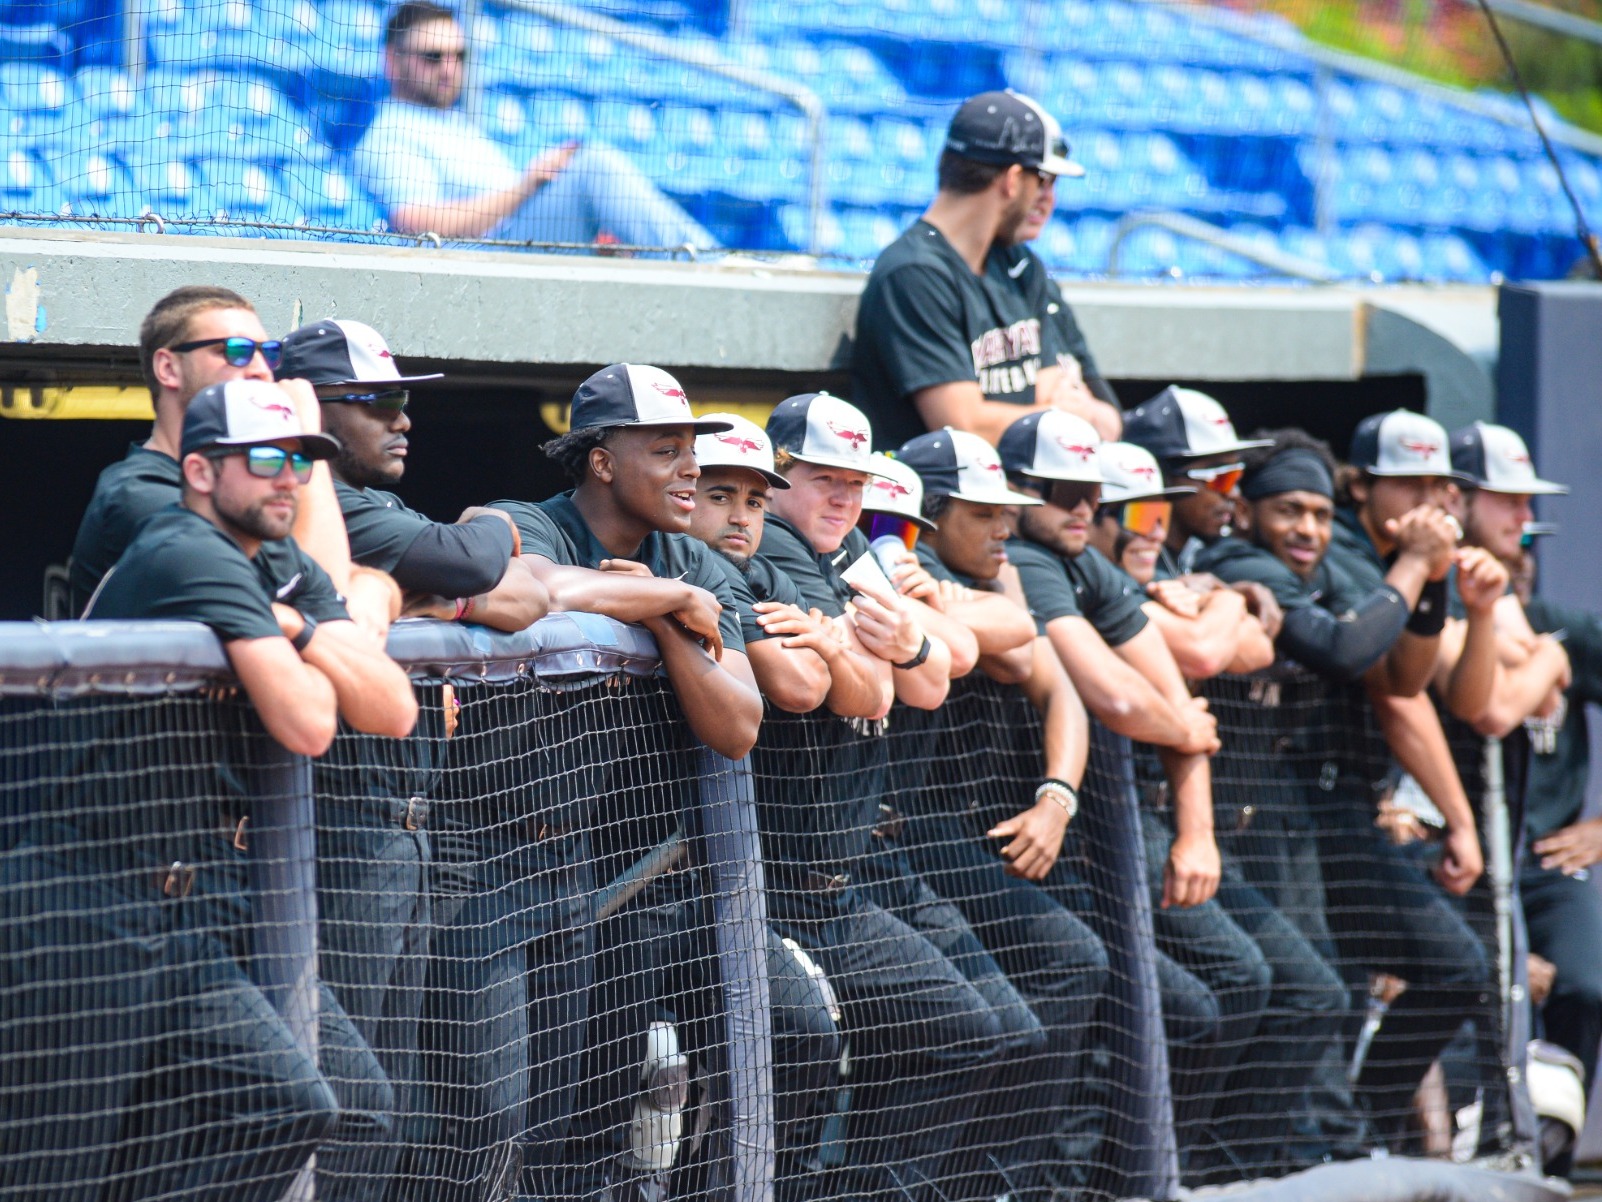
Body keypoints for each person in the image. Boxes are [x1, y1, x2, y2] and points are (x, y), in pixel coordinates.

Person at [1, 379, 417, 1198]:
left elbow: (392, 708)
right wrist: (316, 641)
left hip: (190, 911)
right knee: (52, 1178)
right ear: (199, 471)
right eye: (263, 460)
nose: (287, 479)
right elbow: (313, 722)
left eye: (299, 460)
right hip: (78, 906)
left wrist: (298, 628)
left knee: (304, 1105)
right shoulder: (186, 549)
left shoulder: (278, 561)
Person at [274, 316, 547, 1200]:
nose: (404, 420)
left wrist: (454, 592)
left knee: (396, 1110)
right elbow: (474, 558)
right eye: (378, 402)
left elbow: (518, 589)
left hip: (406, 833)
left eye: (404, 401)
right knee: (347, 1108)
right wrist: (493, 525)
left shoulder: (373, 506)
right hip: (340, 831)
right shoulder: (323, 501)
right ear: (312, 409)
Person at [1193, 432, 1494, 1153]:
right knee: (1306, 991)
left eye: (1320, 514)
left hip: (1301, 812)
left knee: (1399, 979)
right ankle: (1278, 1157)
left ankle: (1347, 1137)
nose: (1308, 529)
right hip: (1245, 809)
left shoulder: (1326, 567)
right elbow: (1343, 649)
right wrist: (1415, 564)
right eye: (1289, 510)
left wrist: (1434, 582)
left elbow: (1403, 675)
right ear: (1247, 511)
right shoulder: (1239, 562)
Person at [750, 391, 1005, 1201]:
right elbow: (873, 691)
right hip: (767, 881)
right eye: (824, 477)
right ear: (779, 474)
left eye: (856, 482)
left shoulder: (852, 546)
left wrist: (906, 641)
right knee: (793, 1063)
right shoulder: (769, 545)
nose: (843, 498)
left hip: (839, 885)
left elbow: (931, 678)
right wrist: (887, 652)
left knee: (970, 1033)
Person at [1090, 439, 1349, 1179]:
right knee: (1214, 992)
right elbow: (1208, 652)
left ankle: (1224, 1175)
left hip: (1164, 821)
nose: (1150, 532)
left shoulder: (1166, 574)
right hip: (1098, 826)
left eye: (1158, 516)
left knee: (1306, 993)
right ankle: (1162, 1175)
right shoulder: (1092, 581)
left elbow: (1254, 652)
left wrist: (1220, 605)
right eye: (1134, 516)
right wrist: (1235, 599)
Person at [882, 426, 1114, 1198]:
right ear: (930, 518)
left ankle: (1001, 1184)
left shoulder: (984, 577)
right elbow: (1016, 654)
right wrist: (969, 604)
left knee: (1059, 980)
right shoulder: (899, 564)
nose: (1004, 528)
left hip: (970, 831)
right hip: (895, 833)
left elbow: (1056, 687)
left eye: (1008, 512)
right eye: (983, 514)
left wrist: (1057, 797)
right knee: (1057, 971)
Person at [68, 284, 395, 629]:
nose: (261, 370)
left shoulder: (248, 483)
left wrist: (375, 586)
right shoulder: (139, 495)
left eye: (267, 353)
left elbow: (319, 580)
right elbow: (325, 599)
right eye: (236, 351)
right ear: (168, 368)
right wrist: (304, 429)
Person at [851, 89, 1121, 452]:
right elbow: (964, 427)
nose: (1050, 199)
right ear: (1013, 180)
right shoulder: (914, 272)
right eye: (1044, 180)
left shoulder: (1019, 264)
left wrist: (1050, 413)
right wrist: (1060, 415)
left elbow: (1068, 401)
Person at [353, 1, 715, 250]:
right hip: (480, 262)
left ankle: (707, 262)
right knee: (593, 165)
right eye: (433, 57)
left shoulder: (457, 124)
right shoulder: (389, 133)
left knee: (589, 168)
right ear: (393, 61)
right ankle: (708, 264)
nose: (450, 68)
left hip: (516, 247)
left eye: (459, 56)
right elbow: (414, 223)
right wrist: (526, 187)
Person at [1120, 385, 1272, 579]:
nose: (1233, 493)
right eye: (1220, 477)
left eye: (1235, 476)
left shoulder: (1198, 550)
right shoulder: (1125, 554)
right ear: (1162, 478)